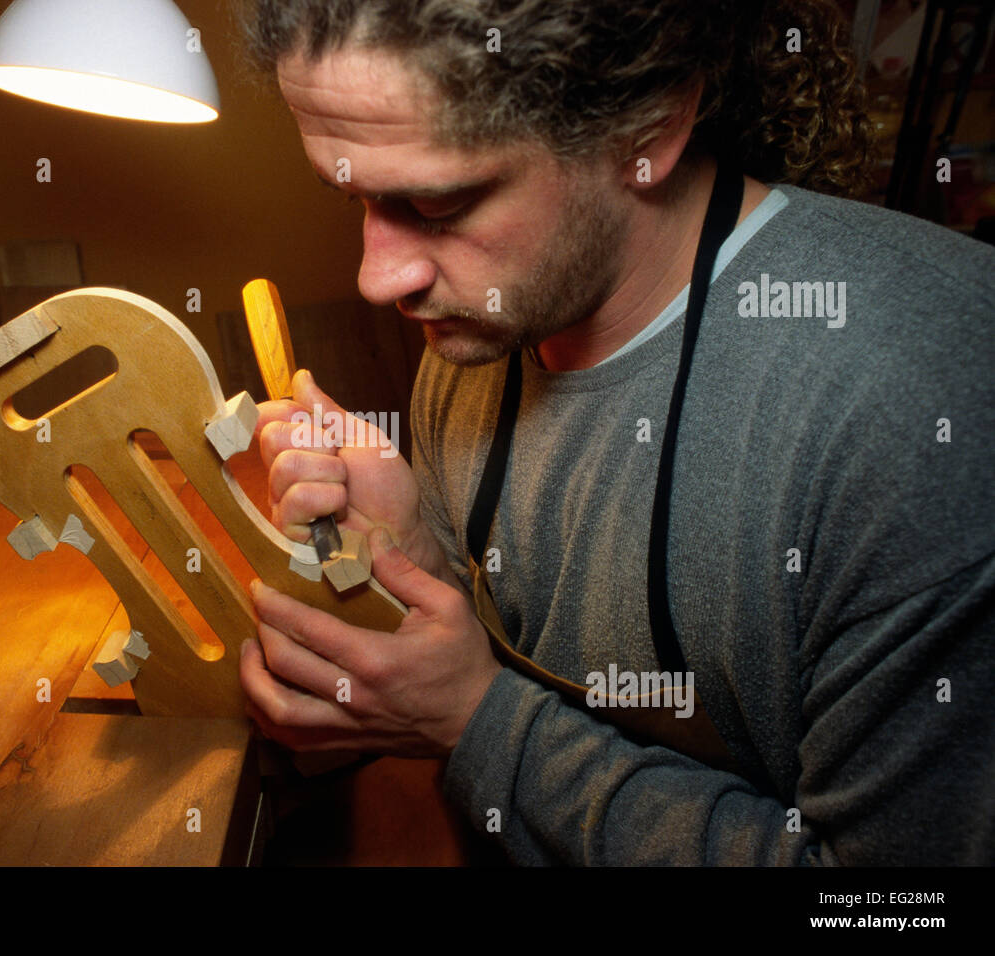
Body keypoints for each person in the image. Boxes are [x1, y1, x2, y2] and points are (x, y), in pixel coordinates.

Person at [234, 0, 995, 864]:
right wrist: (413, 565)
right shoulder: (476, 333)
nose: (379, 277)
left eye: (438, 201)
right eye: (354, 195)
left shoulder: (927, 407)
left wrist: (479, 723)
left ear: (651, 126)